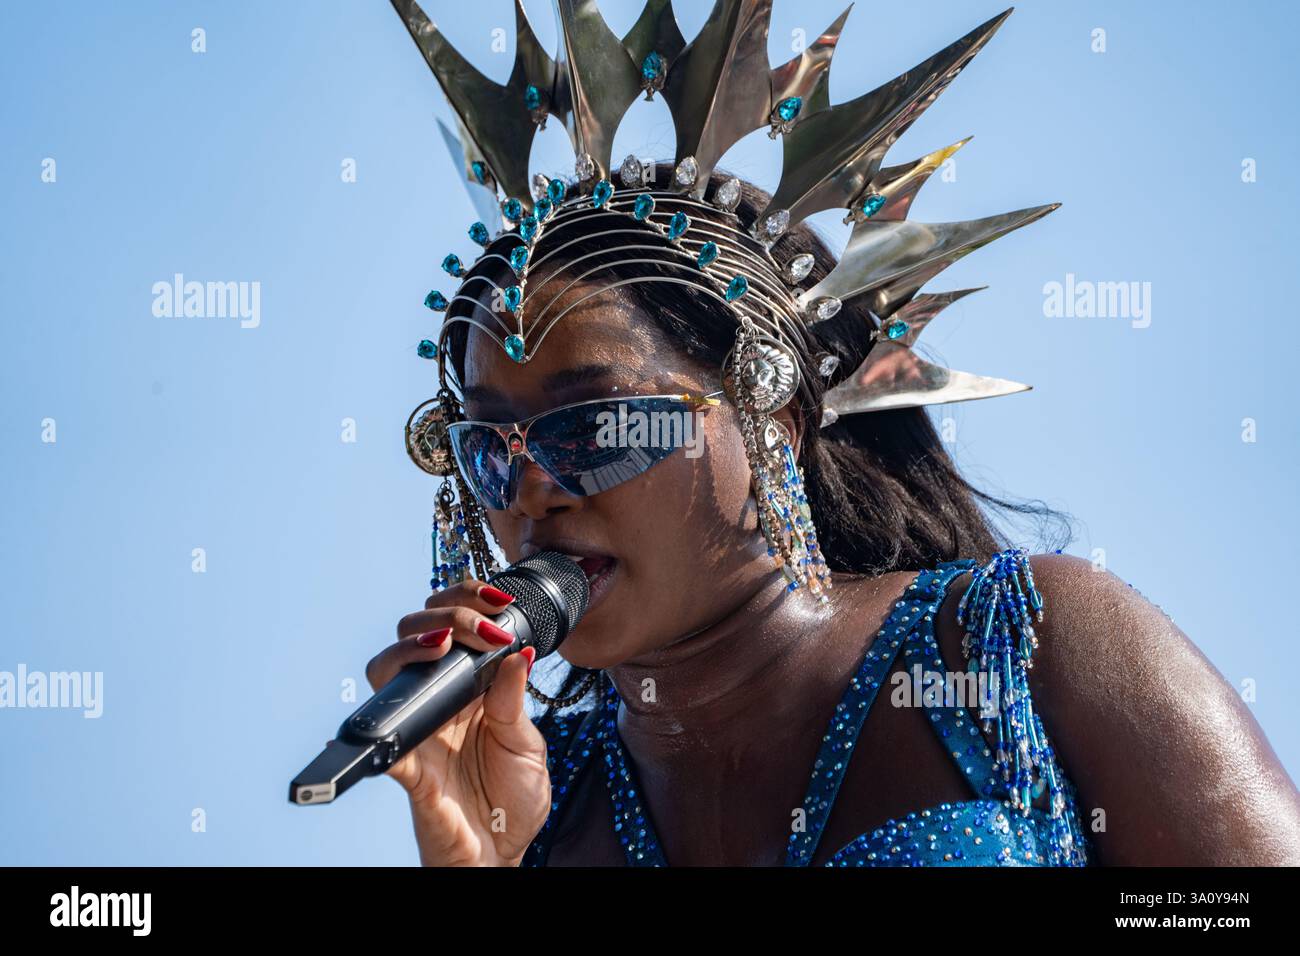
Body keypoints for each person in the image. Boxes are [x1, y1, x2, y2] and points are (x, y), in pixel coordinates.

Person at [374, 1, 1300, 866]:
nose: (537, 486)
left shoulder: (1021, 649)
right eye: (490, 452)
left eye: (597, 426)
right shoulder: (532, 801)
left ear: (769, 413)